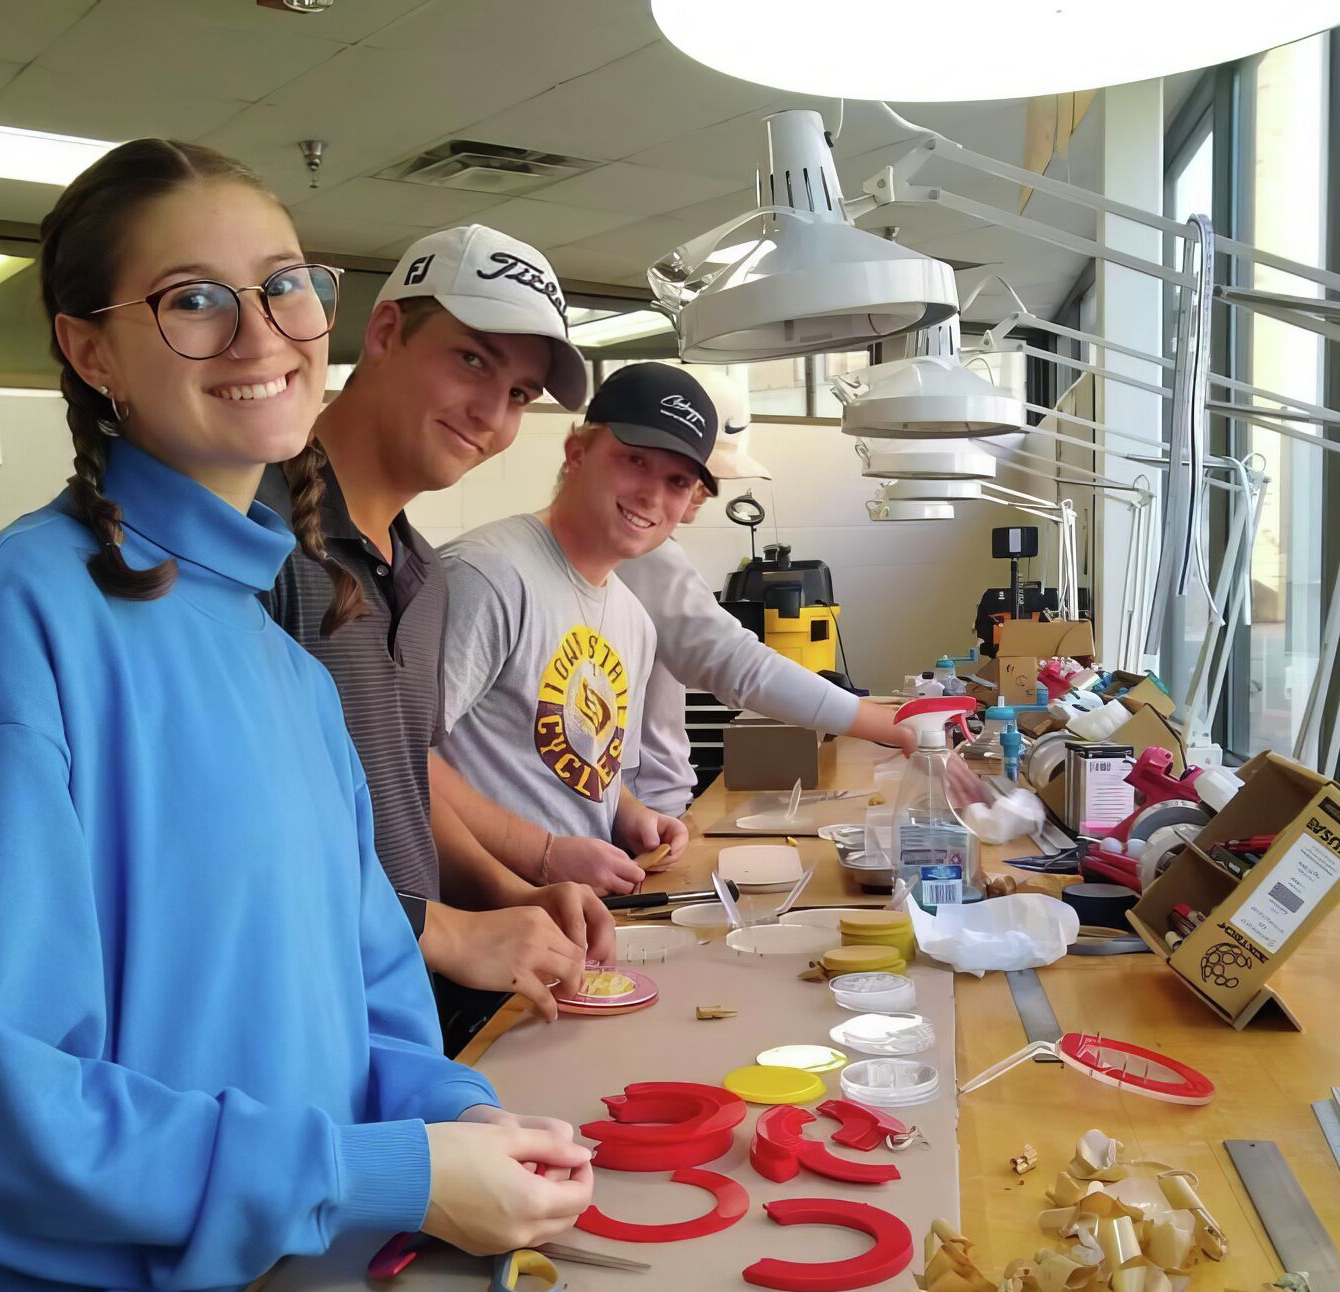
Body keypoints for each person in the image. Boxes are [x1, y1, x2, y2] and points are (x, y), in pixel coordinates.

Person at [0, 141, 591, 1292]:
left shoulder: (288, 666)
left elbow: (366, 1016)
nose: (260, 334)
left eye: (285, 286)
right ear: (91, 349)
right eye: (194, 298)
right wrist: (395, 1173)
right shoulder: (14, 619)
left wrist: (473, 1127)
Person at [258, 224, 619, 1042]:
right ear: (385, 333)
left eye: (521, 394)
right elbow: (238, 841)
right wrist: (448, 929)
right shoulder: (257, 541)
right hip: (300, 1027)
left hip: (405, 1019)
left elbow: (401, 781)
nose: (492, 412)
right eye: (472, 360)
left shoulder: (422, 575)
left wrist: (509, 893)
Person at [435, 362, 712, 868]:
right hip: (483, 925)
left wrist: (631, 815)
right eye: (634, 460)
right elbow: (395, 761)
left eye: (677, 480)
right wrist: (545, 855)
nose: (653, 495)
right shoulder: (486, 576)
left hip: (576, 920)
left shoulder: (635, 622)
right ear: (576, 452)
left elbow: (596, 778)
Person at [620, 365, 918, 817]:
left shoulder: (636, 553)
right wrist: (892, 725)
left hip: (640, 810)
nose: (699, 500)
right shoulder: (643, 553)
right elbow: (740, 666)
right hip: (642, 811)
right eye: (691, 480)